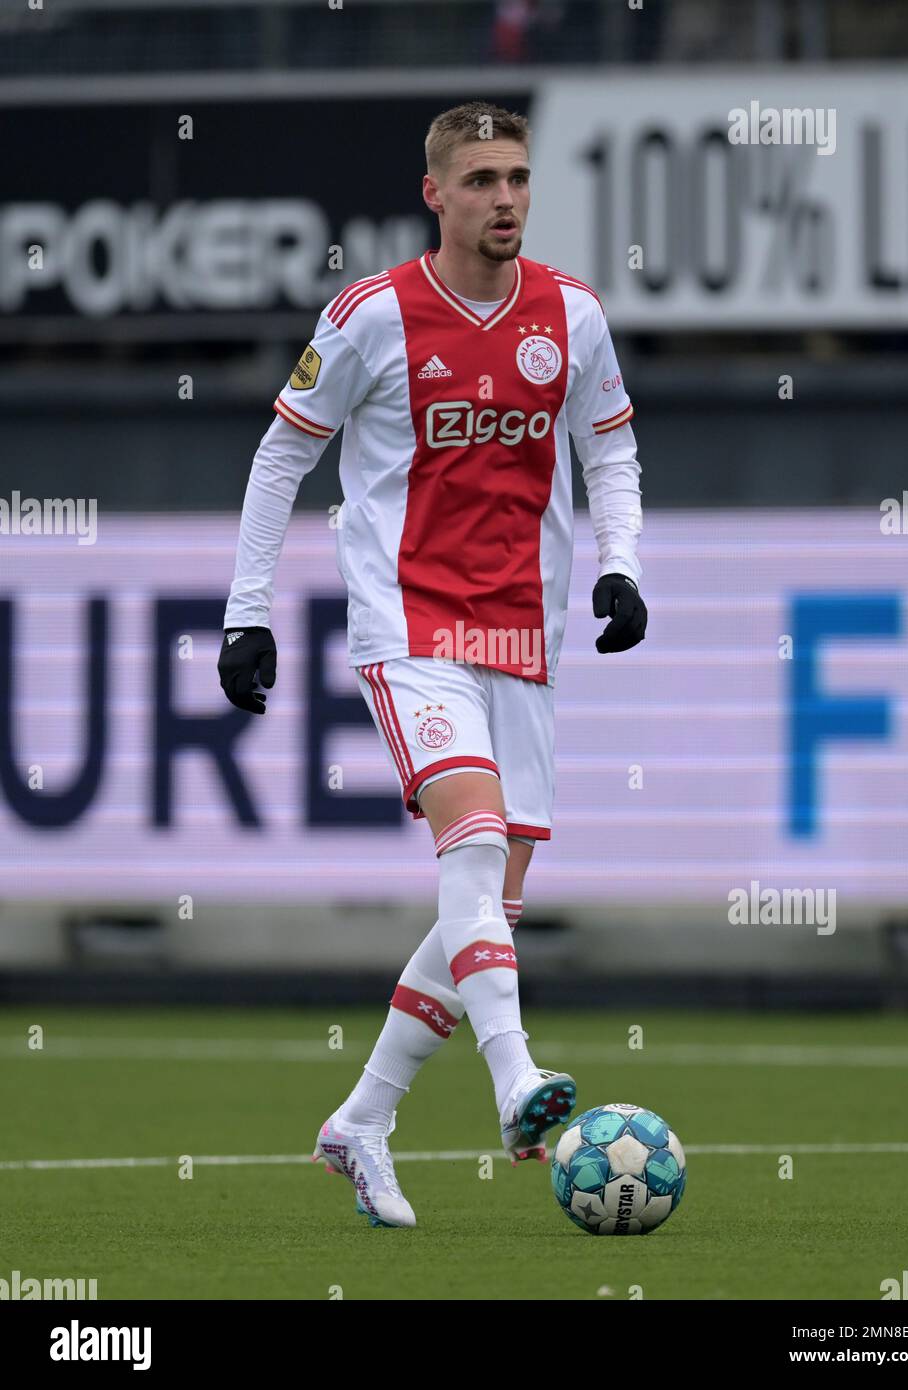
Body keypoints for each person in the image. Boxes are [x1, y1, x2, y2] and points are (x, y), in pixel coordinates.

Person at [219, 101, 646, 1228]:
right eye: (481, 181)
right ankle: (516, 1081)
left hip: (522, 637)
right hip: (409, 623)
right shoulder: (372, 316)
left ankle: (360, 1120)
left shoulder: (573, 315)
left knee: (486, 902)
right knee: (471, 839)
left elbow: (609, 444)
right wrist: (244, 612)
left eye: (515, 177)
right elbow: (281, 456)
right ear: (435, 195)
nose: (504, 197)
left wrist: (620, 563)